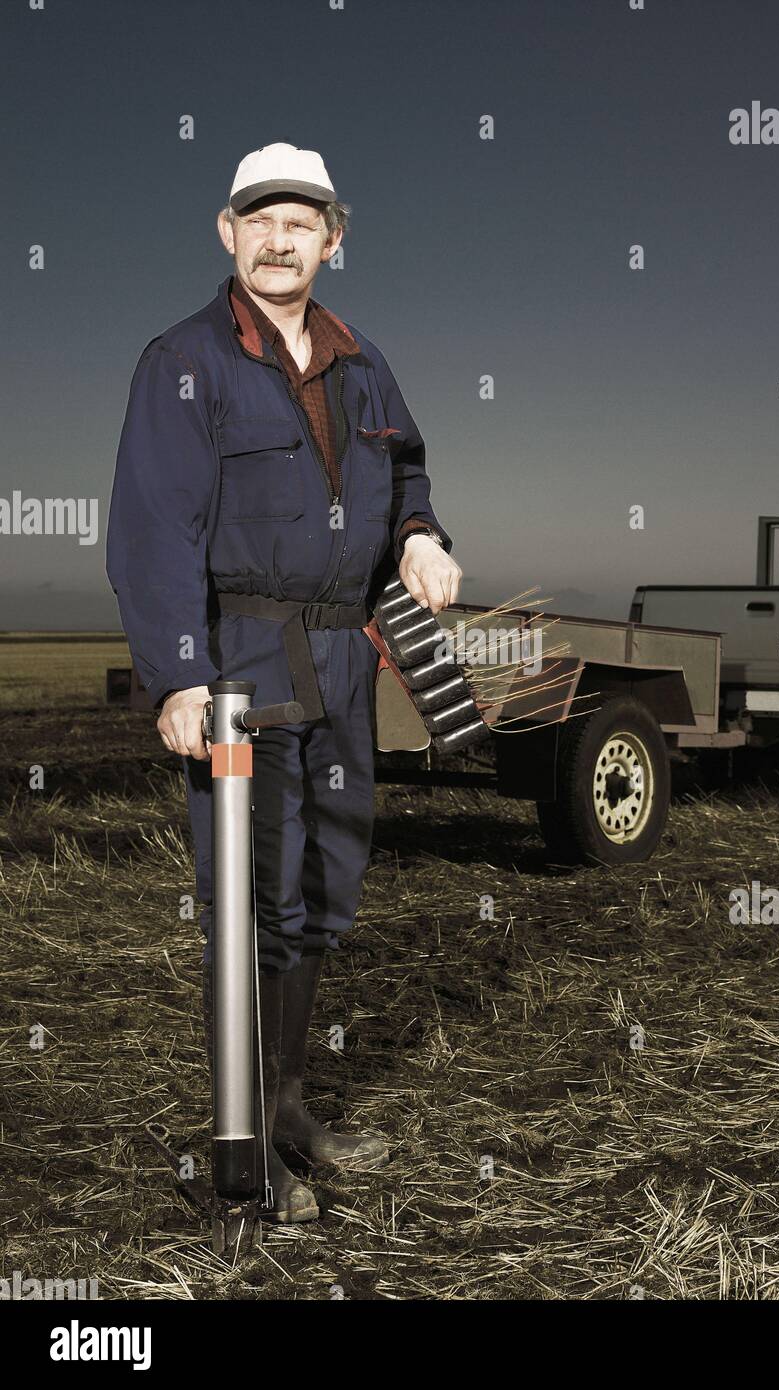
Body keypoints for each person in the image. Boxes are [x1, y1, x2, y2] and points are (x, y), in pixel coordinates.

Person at [106, 141, 462, 1221]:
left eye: (299, 222)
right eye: (257, 219)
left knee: (323, 895)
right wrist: (177, 675)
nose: (277, 238)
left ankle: (292, 1105)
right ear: (228, 234)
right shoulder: (184, 360)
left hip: (347, 660)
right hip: (242, 665)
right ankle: (241, 1150)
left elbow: (406, 471)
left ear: (333, 239)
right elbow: (151, 528)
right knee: (249, 898)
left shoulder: (365, 363)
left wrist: (420, 533)